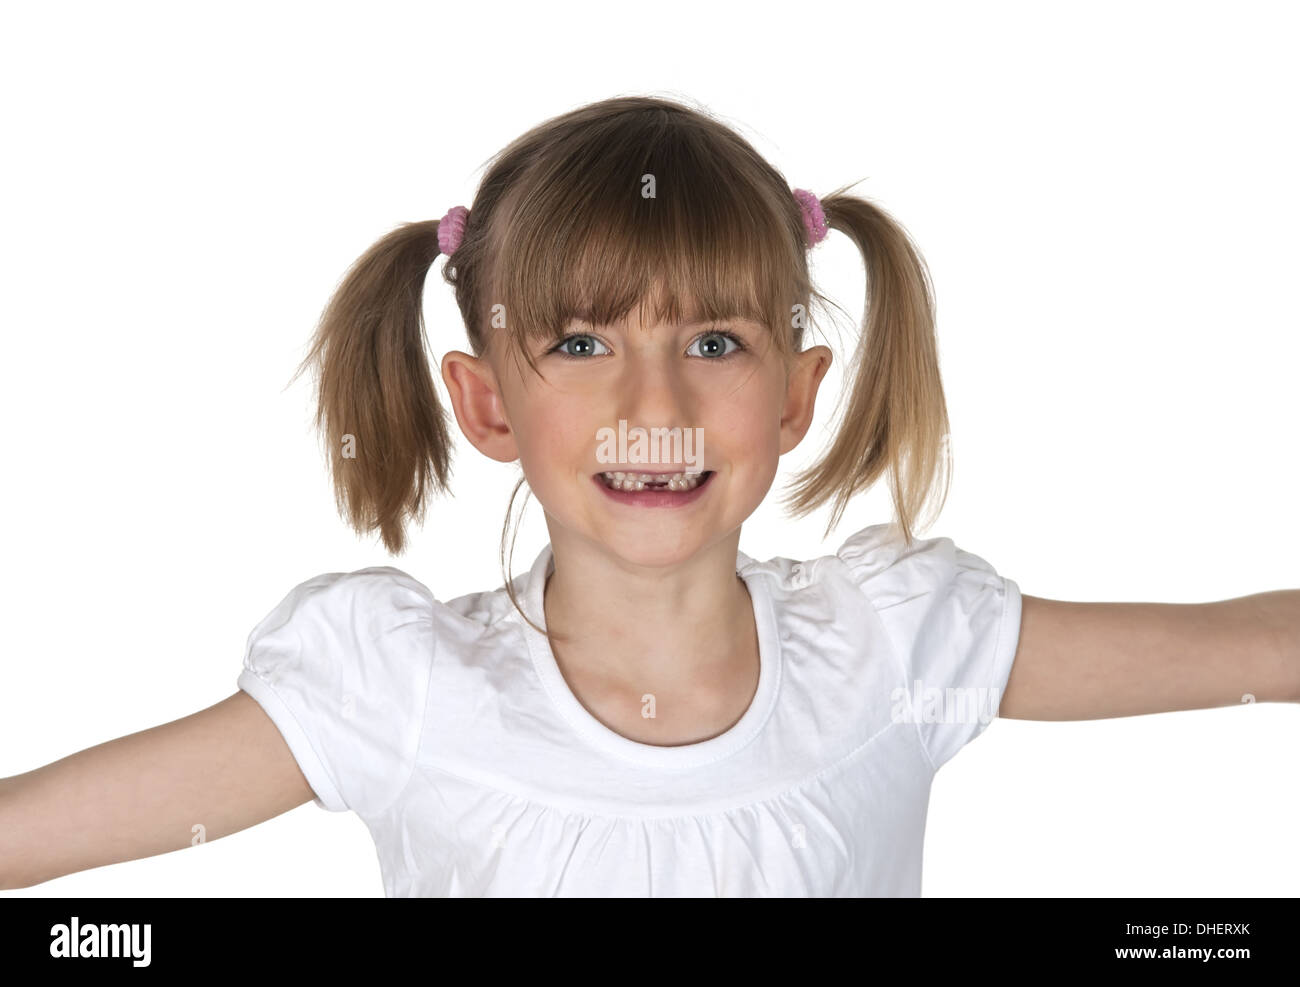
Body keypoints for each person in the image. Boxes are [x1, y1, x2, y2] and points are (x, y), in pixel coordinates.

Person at [2, 94, 1295, 896]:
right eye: (581, 343)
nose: (657, 405)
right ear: (488, 402)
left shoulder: (898, 651)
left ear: (795, 396)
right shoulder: (398, 691)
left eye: (715, 344)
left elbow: (1261, 650)